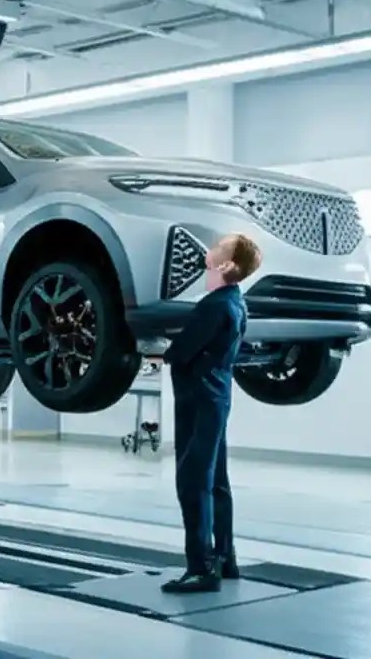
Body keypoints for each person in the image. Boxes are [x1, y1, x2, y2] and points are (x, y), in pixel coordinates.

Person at [160, 232, 262, 594]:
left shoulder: (213, 305)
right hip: (217, 398)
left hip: (197, 400)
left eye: (220, 247)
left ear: (228, 264)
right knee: (216, 480)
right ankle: (225, 557)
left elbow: (182, 351)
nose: (211, 248)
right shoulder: (236, 302)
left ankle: (201, 568)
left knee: (192, 481)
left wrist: (147, 349)